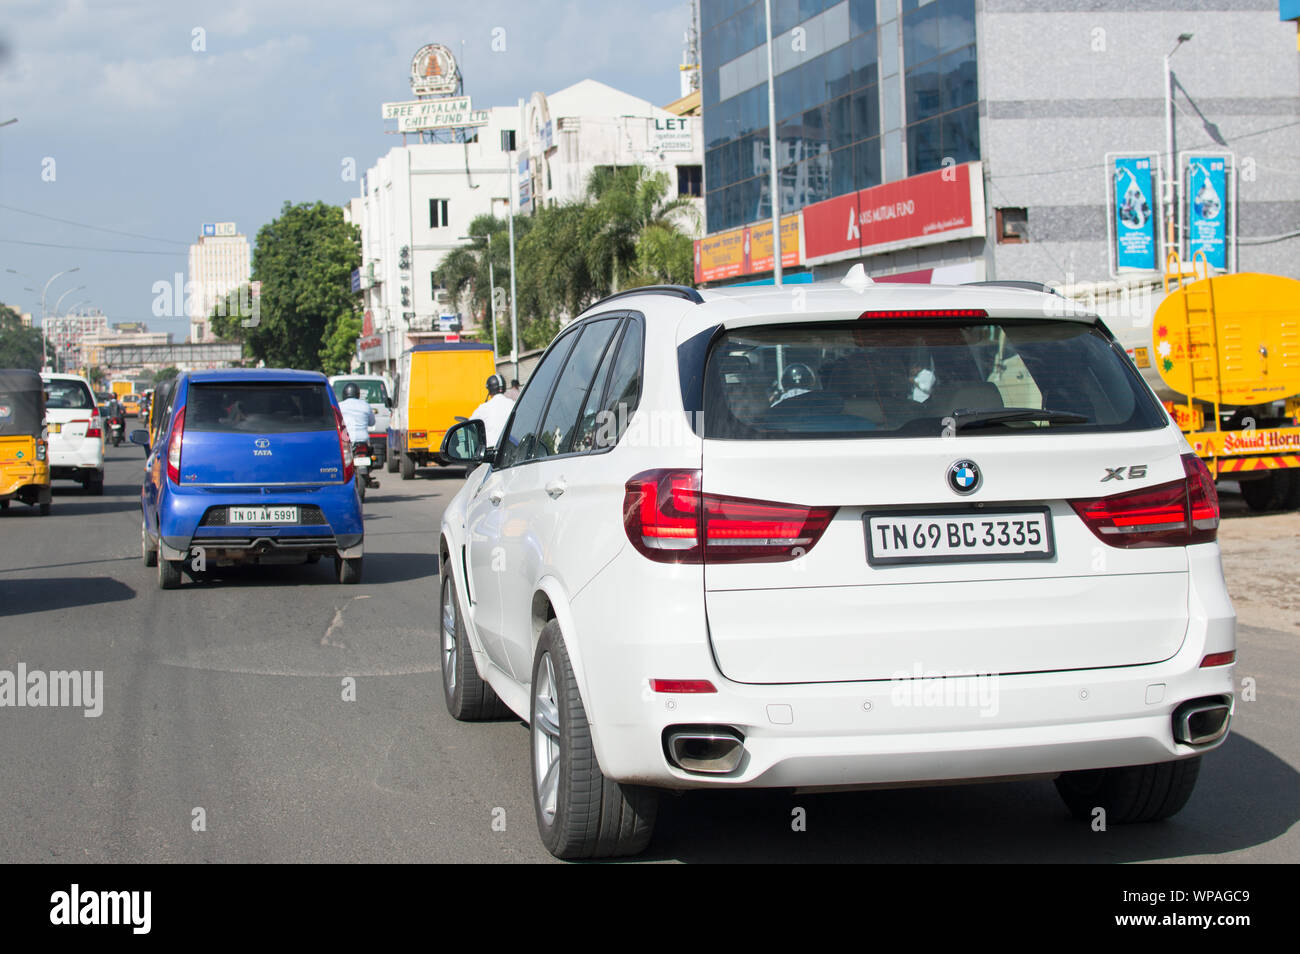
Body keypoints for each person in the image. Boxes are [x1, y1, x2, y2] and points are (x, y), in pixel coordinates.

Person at [470, 374, 515, 447]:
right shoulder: (513, 404)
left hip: (492, 452)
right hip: (511, 449)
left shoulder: (483, 408)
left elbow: (471, 424)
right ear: (504, 388)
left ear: (489, 389)